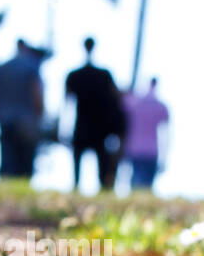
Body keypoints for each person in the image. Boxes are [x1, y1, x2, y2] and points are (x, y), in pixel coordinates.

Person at [64, 37, 125, 191]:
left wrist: (62, 128)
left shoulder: (75, 75)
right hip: (98, 127)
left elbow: (66, 102)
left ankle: (83, 187)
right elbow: (117, 96)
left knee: (82, 165)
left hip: (86, 126)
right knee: (99, 165)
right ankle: (98, 187)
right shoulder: (103, 75)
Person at [0, 39, 44, 180]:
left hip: (6, 118)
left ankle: (6, 186)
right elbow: (36, 93)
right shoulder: (32, 66)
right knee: (25, 163)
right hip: (27, 120)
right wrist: (38, 117)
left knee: (8, 160)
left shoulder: (3, 67)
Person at [121, 78, 170, 190]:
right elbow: (165, 134)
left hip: (135, 148)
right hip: (151, 150)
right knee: (147, 184)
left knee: (136, 181)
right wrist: (164, 157)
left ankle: (135, 204)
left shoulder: (133, 103)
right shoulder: (160, 106)